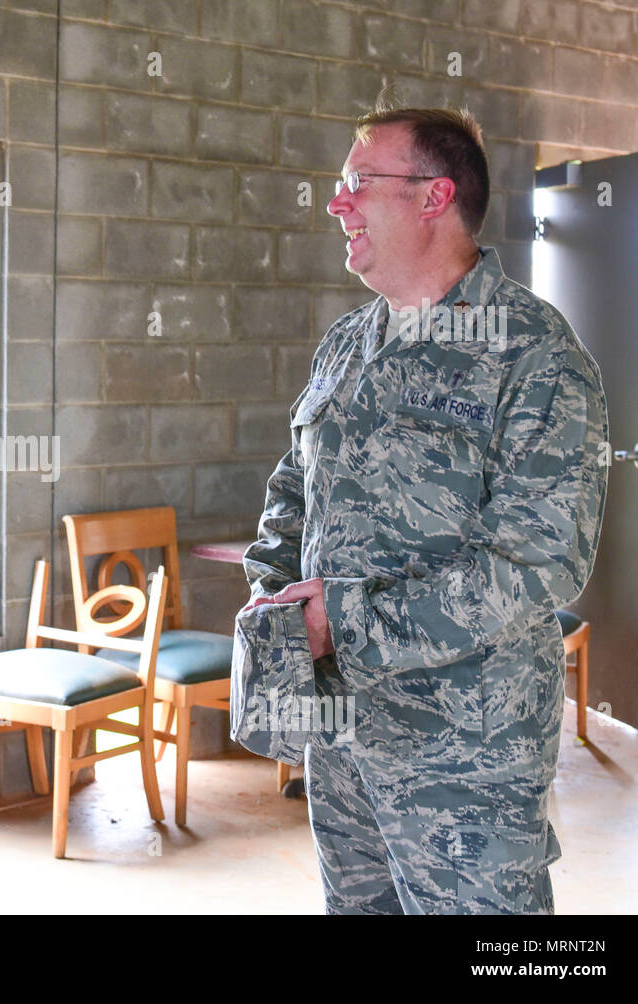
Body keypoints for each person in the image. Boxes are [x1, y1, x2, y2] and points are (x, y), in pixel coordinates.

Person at [240, 105, 608, 914]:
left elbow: (541, 560)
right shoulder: (346, 343)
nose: (337, 204)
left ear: (434, 197)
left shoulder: (533, 353)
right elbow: (292, 495)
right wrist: (276, 610)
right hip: (342, 741)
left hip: (464, 761)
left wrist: (347, 621)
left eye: (356, 182)